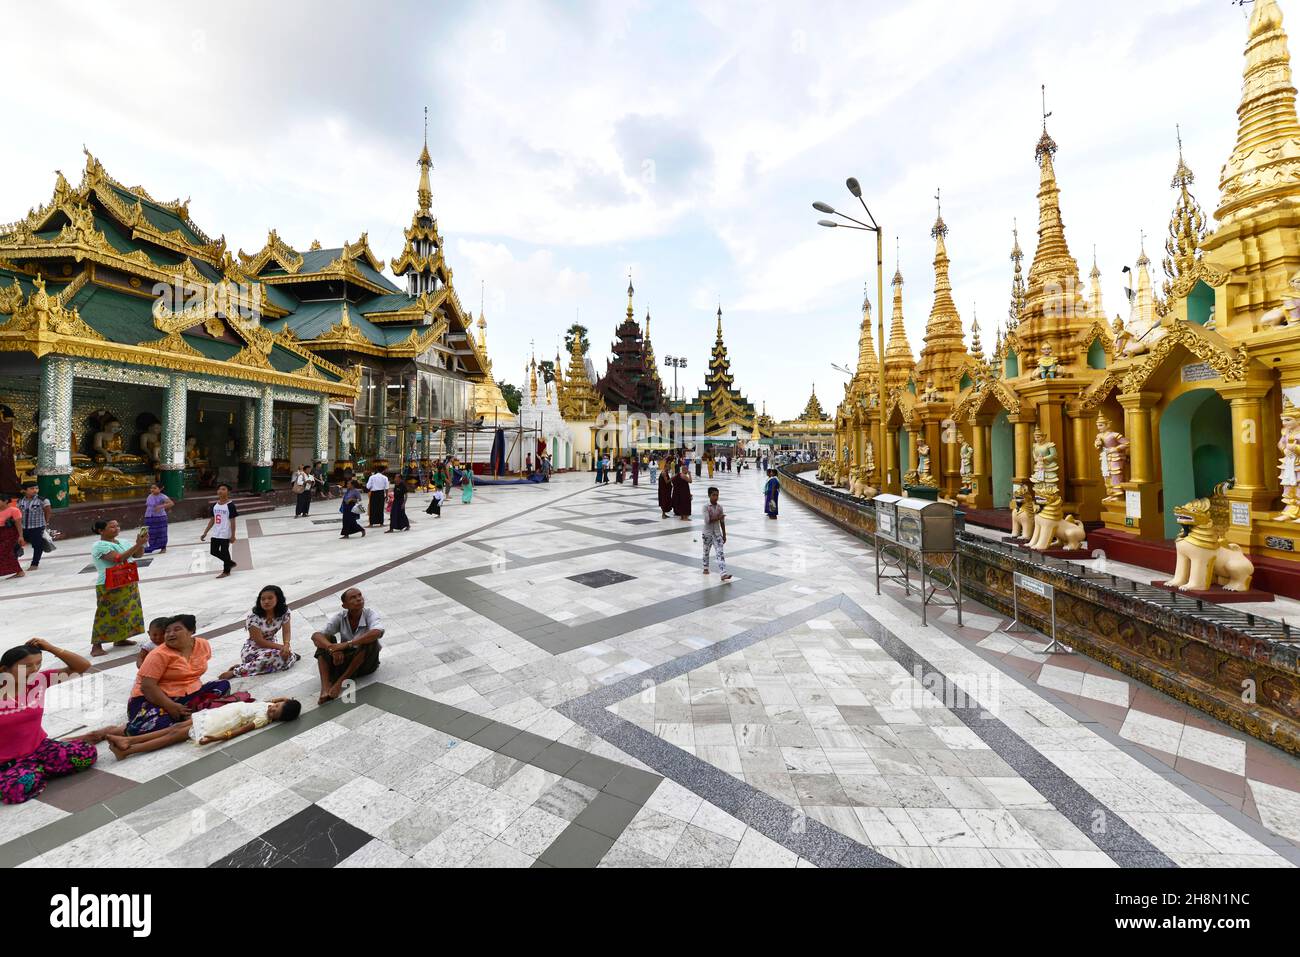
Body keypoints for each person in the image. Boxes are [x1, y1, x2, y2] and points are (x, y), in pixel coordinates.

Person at [0, 639, 99, 804]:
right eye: (27, 666)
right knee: (16, 790)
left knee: (86, 754)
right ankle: (37, 769)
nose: (34, 670)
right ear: (4, 670)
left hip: (40, 748)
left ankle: (36, 769)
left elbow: (81, 666)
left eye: (38, 664)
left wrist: (51, 648)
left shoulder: (39, 681)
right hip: (6, 761)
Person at [121, 614, 232, 737]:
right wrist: (171, 706)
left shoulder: (202, 644)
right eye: (167, 631)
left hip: (186, 694)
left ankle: (184, 714)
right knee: (158, 723)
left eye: (177, 629)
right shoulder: (158, 654)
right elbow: (147, 687)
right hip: (151, 699)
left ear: (191, 631)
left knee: (223, 685)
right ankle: (132, 726)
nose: (170, 634)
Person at [105, 696, 301, 760]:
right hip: (217, 714)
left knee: (173, 735)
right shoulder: (268, 705)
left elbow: (240, 731)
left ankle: (129, 750)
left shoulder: (262, 719)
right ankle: (128, 741)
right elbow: (282, 698)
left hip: (215, 724)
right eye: (276, 706)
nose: (273, 709)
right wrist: (284, 701)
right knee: (177, 727)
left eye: (276, 712)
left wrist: (215, 739)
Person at [311, 588, 383, 704]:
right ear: (344, 605)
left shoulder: (370, 613)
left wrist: (347, 644)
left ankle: (340, 683)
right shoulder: (340, 616)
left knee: (369, 640)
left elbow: (377, 632)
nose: (359, 599)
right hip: (346, 659)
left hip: (366, 663)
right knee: (325, 640)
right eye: (353, 598)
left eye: (360, 595)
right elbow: (316, 636)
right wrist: (332, 648)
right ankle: (325, 687)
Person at [90, 519, 148, 657]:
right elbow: (118, 558)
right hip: (108, 583)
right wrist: (137, 544)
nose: (116, 528)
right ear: (101, 531)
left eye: (117, 526)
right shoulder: (99, 545)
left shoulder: (123, 542)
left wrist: (141, 544)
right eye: (112, 527)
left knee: (126, 610)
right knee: (106, 612)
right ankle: (96, 645)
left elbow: (138, 555)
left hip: (127, 579)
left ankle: (120, 638)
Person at [220, 585, 299, 679]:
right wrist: (282, 647)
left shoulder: (284, 612)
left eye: (270, 598)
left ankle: (248, 665)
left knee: (283, 655)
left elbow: (286, 632)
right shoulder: (253, 617)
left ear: (278, 598)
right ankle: (236, 672)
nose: (266, 601)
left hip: (272, 646)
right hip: (253, 649)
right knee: (278, 656)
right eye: (263, 599)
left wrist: (286, 644)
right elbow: (259, 641)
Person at [199, 482, 238, 578]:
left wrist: (233, 535)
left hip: (225, 533)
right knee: (213, 551)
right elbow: (212, 520)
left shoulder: (230, 505)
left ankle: (226, 571)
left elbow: (233, 521)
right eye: (219, 489)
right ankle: (230, 562)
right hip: (216, 532)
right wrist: (205, 532)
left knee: (225, 552)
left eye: (223, 489)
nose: (220, 491)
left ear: (228, 492)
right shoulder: (215, 505)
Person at [18, 482, 53, 571]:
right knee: (16, 545)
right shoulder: (20, 501)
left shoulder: (43, 500)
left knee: (37, 545)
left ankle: (35, 564)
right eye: (32, 488)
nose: (35, 490)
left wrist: (45, 523)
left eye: (36, 488)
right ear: (24, 490)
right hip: (23, 527)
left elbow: (48, 512)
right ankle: (14, 563)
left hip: (37, 527)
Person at [702, 486, 732, 583]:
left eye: (717, 495)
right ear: (709, 495)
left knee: (720, 553)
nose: (716, 497)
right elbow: (707, 521)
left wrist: (724, 535)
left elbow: (722, 522)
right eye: (713, 495)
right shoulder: (706, 507)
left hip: (717, 534)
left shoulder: (720, 507)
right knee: (706, 551)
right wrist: (719, 517)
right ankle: (705, 567)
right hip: (707, 533)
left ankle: (723, 573)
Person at [139, 482, 173, 555]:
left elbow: (171, 503)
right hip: (148, 517)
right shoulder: (149, 496)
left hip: (160, 518)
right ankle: (143, 548)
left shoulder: (163, 496)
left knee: (161, 533)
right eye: (151, 488)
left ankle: (163, 547)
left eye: (155, 488)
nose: (152, 490)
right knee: (145, 532)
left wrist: (160, 506)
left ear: (160, 489)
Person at [0, 493, 21, 580]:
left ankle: (19, 571)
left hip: (10, 533)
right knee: (6, 553)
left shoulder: (14, 510)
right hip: (1, 532)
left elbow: (18, 524)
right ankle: (18, 571)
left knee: (4, 552)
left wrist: (21, 536)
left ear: (5, 501)